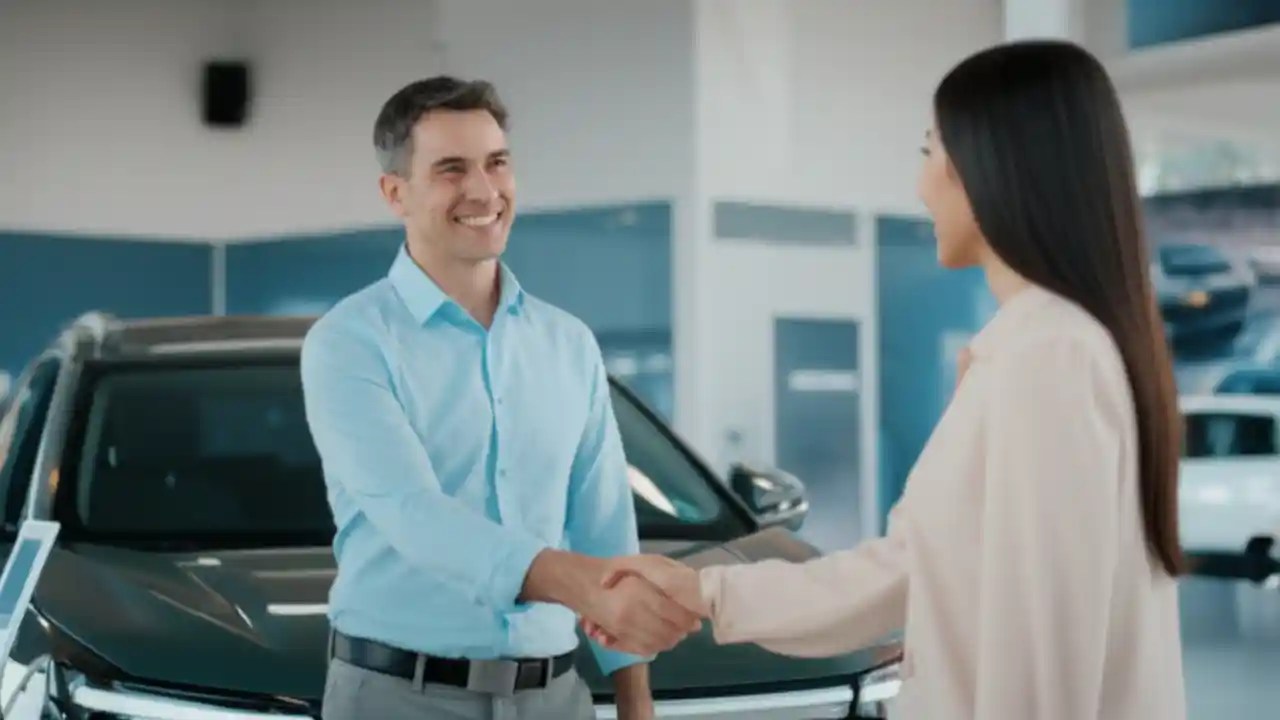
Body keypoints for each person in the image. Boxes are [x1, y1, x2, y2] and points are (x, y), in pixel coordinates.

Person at [587, 40, 1188, 720]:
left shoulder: (1049, 358)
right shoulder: (1043, 348)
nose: (920, 184)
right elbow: (905, 571)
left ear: (993, 168)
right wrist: (702, 591)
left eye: (930, 151)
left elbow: (1046, 647)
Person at [301, 76, 700, 720]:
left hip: (556, 699)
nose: (484, 191)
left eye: (497, 163)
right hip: (398, 698)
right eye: (452, 169)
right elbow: (413, 513)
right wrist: (586, 588)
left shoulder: (568, 343)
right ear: (395, 192)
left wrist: (634, 698)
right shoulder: (348, 342)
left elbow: (603, 522)